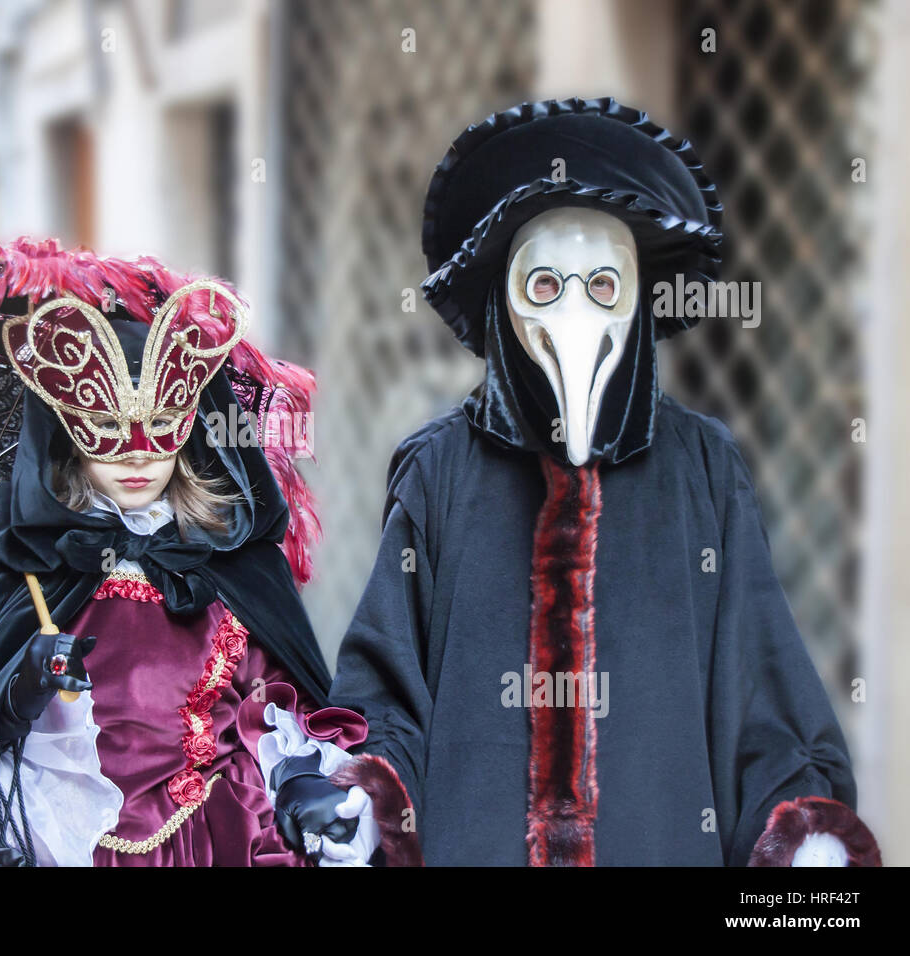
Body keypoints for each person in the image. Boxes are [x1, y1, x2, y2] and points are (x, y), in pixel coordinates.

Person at [329, 98, 880, 866]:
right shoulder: (439, 471)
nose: (578, 311)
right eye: (547, 286)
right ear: (505, 303)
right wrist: (367, 794)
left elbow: (761, 692)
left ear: (638, 303)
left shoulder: (703, 469)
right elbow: (385, 688)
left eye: (603, 286)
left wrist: (799, 833)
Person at [0, 252, 418, 866]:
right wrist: (18, 697)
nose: (135, 456)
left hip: (217, 841)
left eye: (159, 424)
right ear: (66, 431)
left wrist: (301, 786)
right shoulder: (14, 568)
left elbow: (270, 706)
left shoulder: (229, 561)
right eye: (106, 425)